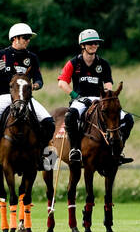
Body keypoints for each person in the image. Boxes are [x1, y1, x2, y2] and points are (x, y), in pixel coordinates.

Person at [0, 22, 53, 172]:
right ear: (15, 38)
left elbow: (39, 79)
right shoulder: (0, 55)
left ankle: (43, 157)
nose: (28, 40)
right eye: (25, 37)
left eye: (29, 38)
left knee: (49, 123)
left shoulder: (32, 57)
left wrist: (35, 86)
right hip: (5, 96)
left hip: (26, 98)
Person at [57, 28, 133, 165]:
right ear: (82, 45)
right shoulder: (73, 63)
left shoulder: (103, 64)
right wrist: (76, 96)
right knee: (70, 116)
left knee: (128, 119)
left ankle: (118, 149)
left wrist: (106, 96)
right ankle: (75, 150)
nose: (94, 45)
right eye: (90, 43)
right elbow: (62, 83)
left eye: (96, 43)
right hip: (80, 99)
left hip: (100, 100)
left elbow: (108, 84)